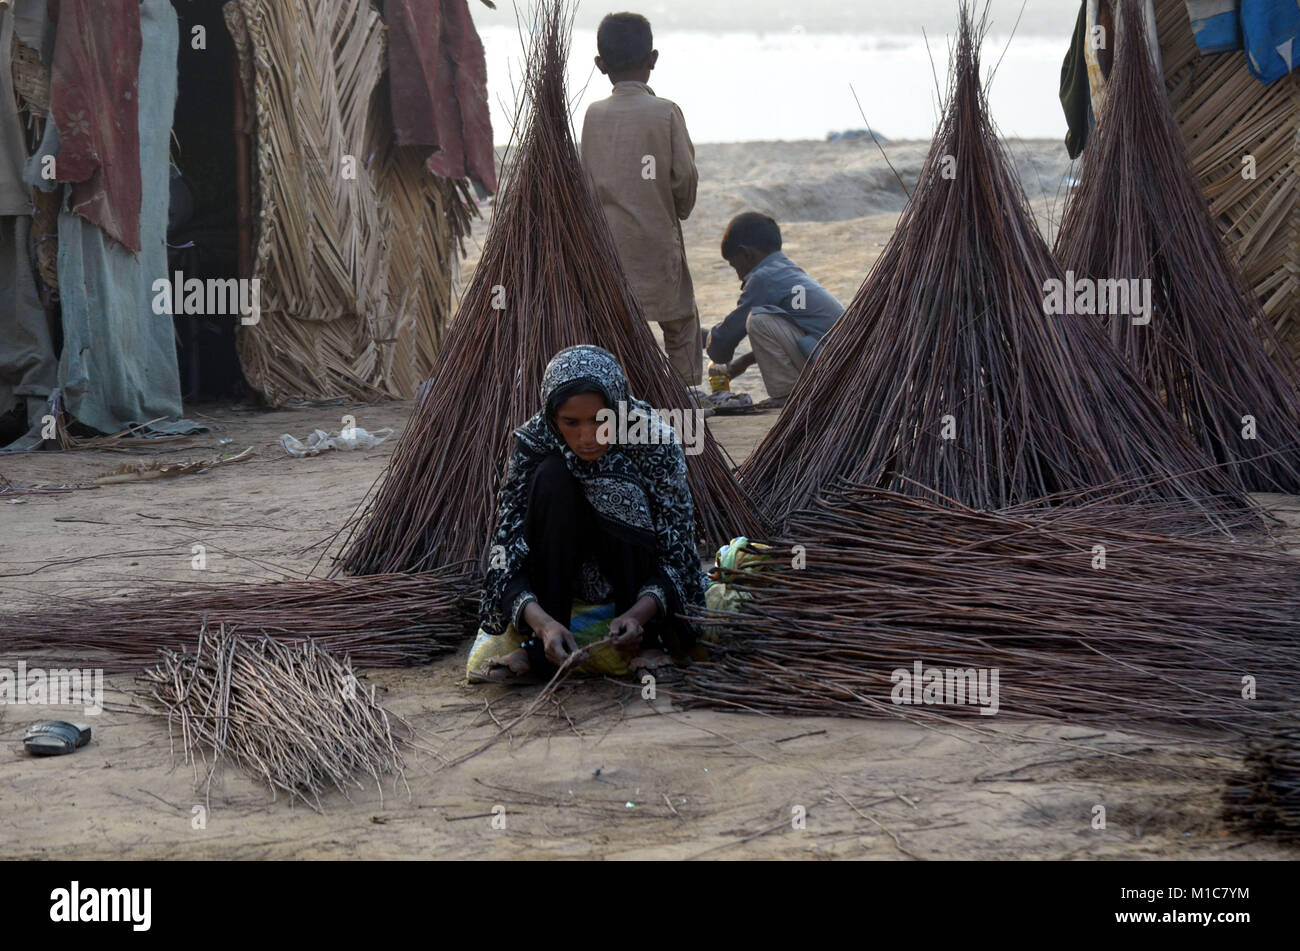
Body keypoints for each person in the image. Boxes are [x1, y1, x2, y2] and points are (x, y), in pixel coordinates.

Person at [478, 345, 707, 683]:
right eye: (571, 423)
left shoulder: (654, 441)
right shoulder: (533, 444)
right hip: (562, 577)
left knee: (619, 482)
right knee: (552, 475)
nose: (587, 438)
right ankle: (543, 647)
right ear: (553, 419)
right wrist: (543, 624)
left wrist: (638, 614)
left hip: (636, 579)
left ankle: (646, 641)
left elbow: (679, 550)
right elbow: (504, 552)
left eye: (601, 420)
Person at [580, 12, 703, 390]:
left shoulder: (593, 114)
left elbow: (586, 180)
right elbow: (684, 178)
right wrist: (678, 209)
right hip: (656, 241)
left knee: (616, 322)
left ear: (600, 65)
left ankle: (620, 393)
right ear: (652, 59)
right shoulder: (665, 112)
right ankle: (683, 395)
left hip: (609, 247)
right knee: (681, 320)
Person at [705, 212, 845, 409]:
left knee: (758, 320)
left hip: (832, 369)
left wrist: (704, 338)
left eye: (734, 266)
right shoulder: (787, 271)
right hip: (842, 364)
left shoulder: (763, 278)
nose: (738, 276)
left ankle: (786, 395)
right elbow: (790, 332)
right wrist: (744, 362)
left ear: (746, 254)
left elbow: (720, 347)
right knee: (763, 320)